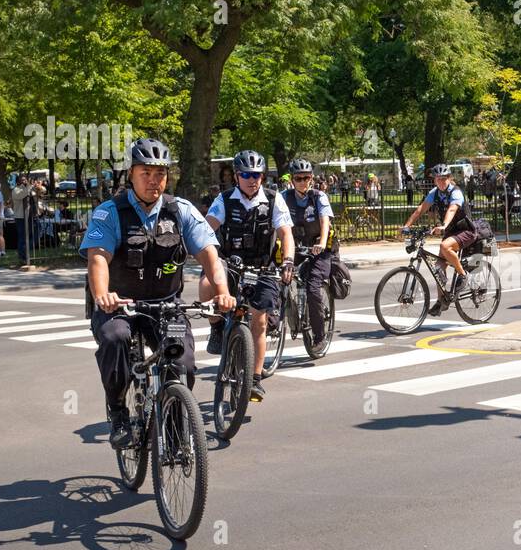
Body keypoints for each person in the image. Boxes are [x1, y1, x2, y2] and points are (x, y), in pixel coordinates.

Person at [81, 139, 234, 449]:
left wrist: (223, 292)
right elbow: (97, 258)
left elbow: (210, 256)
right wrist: (103, 295)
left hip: (165, 306)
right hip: (119, 305)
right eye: (145, 172)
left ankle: (176, 429)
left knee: (183, 363)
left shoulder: (181, 211)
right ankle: (118, 410)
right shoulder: (109, 213)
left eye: (160, 173)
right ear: (131, 174)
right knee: (115, 340)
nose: (153, 180)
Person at [203, 149, 294, 402]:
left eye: (257, 175)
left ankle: (254, 380)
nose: (252, 179)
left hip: (263, 268)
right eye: (246, 175)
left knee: (260, 322)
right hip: (230, 265)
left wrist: (287, 261)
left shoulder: (274, 199)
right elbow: (207, 228)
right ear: (236, 176)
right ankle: (217, 328)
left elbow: (286, 234)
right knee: (205, 282)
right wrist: (203, 250)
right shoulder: (223, 200)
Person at [402, 164, 477, 316]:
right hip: (450, 231)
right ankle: (441, 300)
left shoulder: (456, 193)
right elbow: (420, 209)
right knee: (438, 267)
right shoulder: (434, 193)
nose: (441, 182)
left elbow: (452, 209)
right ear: (434, 180)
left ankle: (463, 275)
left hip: (466, 230)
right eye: (438, 179)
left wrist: (443, 225)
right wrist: (407, 226)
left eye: (443, 179)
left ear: (449, 178)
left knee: (444, 245)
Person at [282, 159, 335, 344]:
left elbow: (324, 222)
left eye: (306, 178)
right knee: (273, 278)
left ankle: (319, 335)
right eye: (298, 178)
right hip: (296, 247)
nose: (303, 182)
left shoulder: (318, 196)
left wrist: (321, 242)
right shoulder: (284, 197)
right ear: (292, 180)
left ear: (311, 178)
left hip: (318, 249)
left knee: (313, 287)